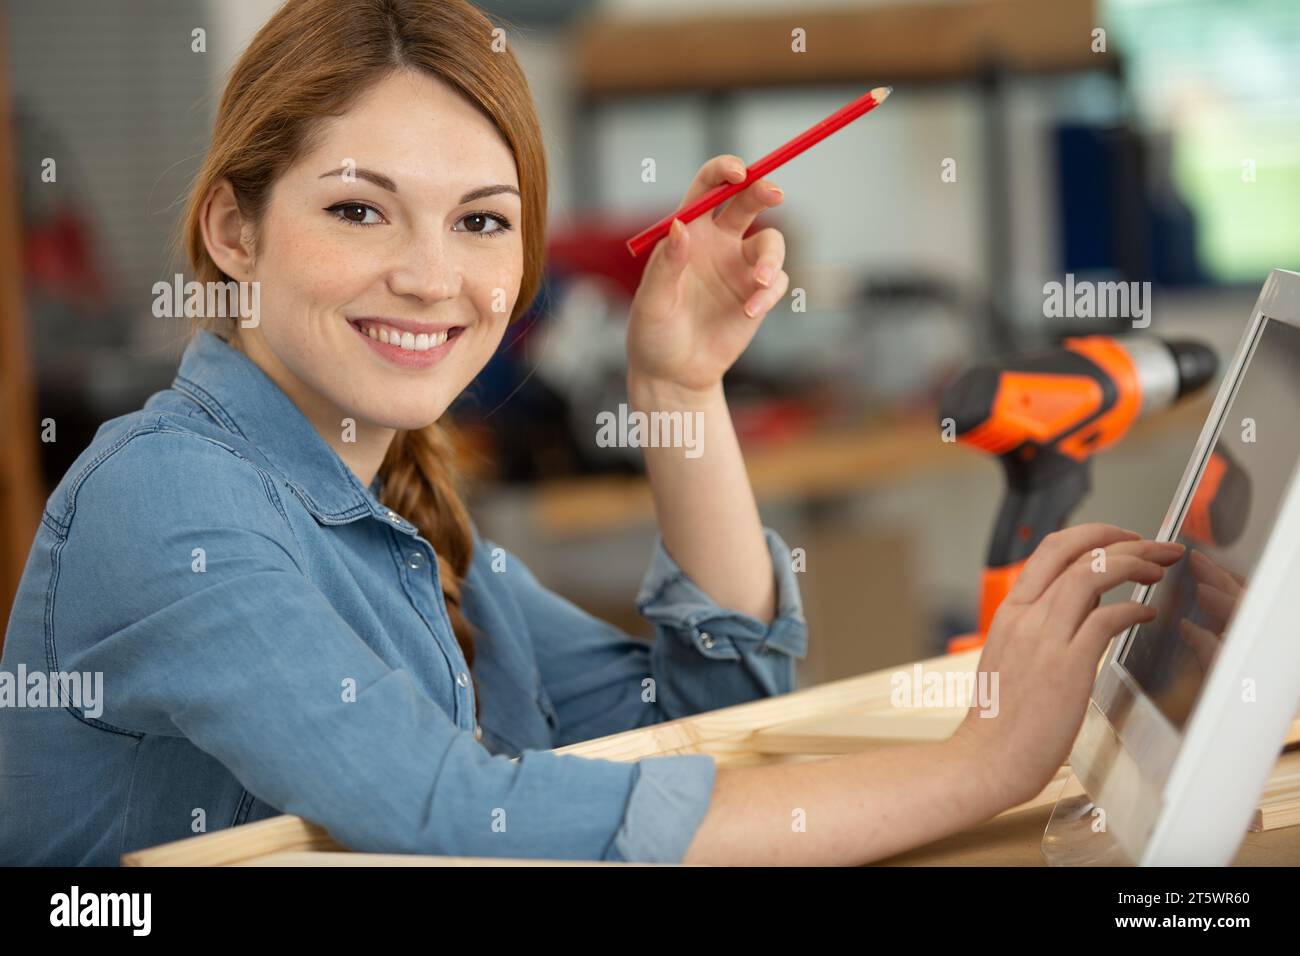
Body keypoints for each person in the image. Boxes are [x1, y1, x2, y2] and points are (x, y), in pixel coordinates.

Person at [0, 0, 1182, 866]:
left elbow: (696, 716)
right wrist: (980, 763)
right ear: (233, 230)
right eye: (359, 208)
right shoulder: (166, 500)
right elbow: (446, 812)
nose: (429, 274)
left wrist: (676, 389)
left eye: (480, 220)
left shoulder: (390, 507)